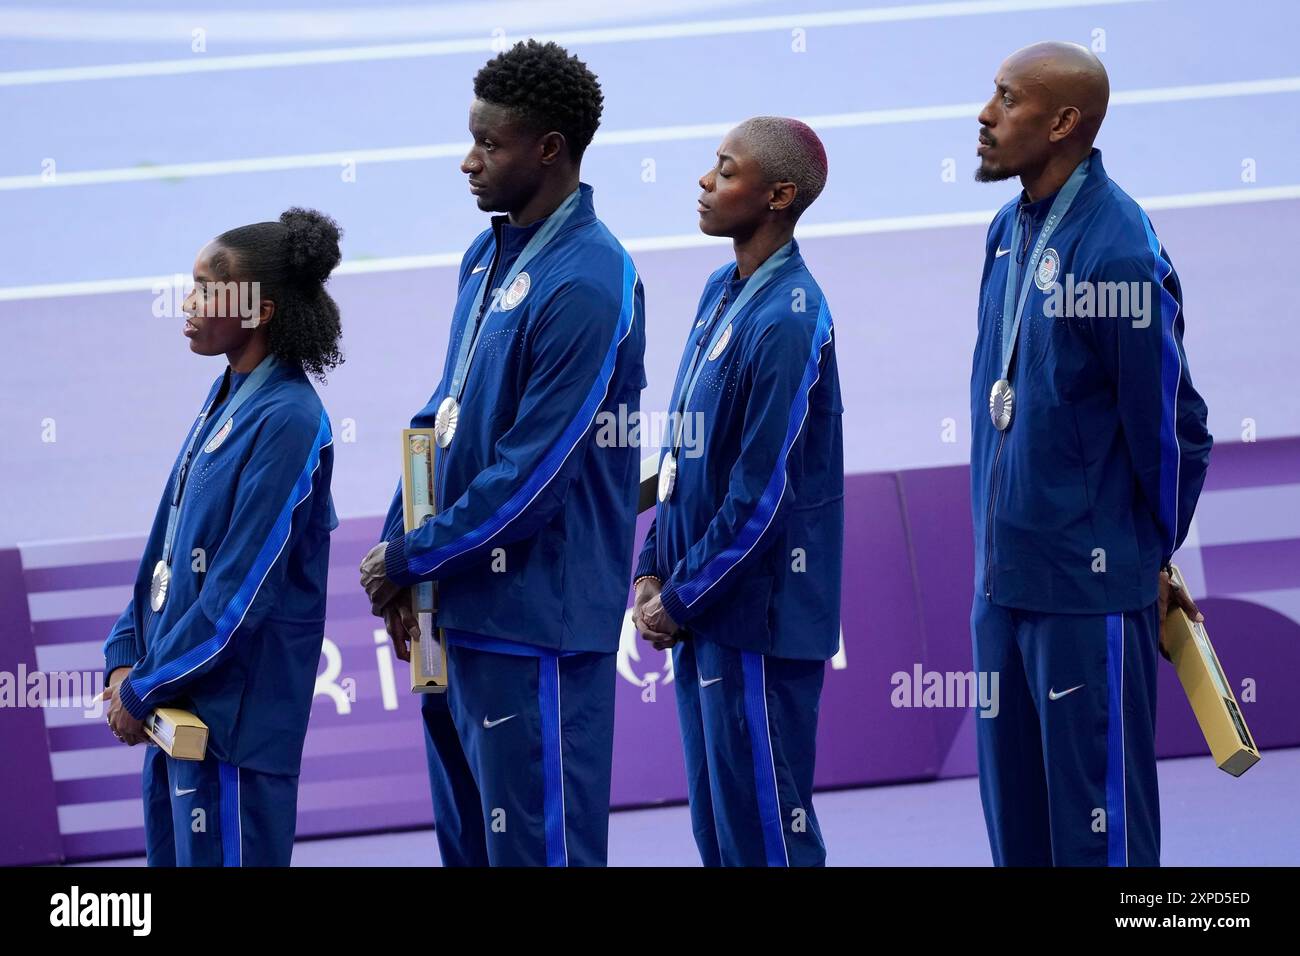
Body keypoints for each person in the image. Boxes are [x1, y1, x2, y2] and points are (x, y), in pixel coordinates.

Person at [359, 40, 646, 867]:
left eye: (488, 144)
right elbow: (444, 414)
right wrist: (397, 547)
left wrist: (413, 556)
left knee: (537, 854)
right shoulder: (486, 255)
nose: (467, 161)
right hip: (459, 615)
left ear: (548, 149)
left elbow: (536, 473)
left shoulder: (591, 279)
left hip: (536, 624)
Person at [970, 41, 1212, 865]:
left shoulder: (1118, 249)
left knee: (1097, 831)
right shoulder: (1008, 229)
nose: (984, 113)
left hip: (1087, 589)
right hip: (1002, 586)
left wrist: (1146, 551)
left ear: (1064, 122)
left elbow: (1175, 427)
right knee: (1021, 832)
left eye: (1006, 99)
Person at [102, 208, 343, 866]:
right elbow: (169, 542)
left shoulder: (291, 419)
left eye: (208, 288)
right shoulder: (228, 394)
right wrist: (127, 650)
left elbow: (238, 596)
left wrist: (142, 685)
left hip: (232, 730)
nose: (189, 303)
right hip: (176, 711)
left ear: (260, 310)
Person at [632, 117, 842, 867]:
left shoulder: (792, 317)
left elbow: (760, 495)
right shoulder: (723, 288)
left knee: (765, 842)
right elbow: (682, 453)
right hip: (703, 611)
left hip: (757, 621)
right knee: (720, 841)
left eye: (724, 170)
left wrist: (678, 597)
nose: (703, 181)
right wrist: (651, 565)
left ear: (778, 195)